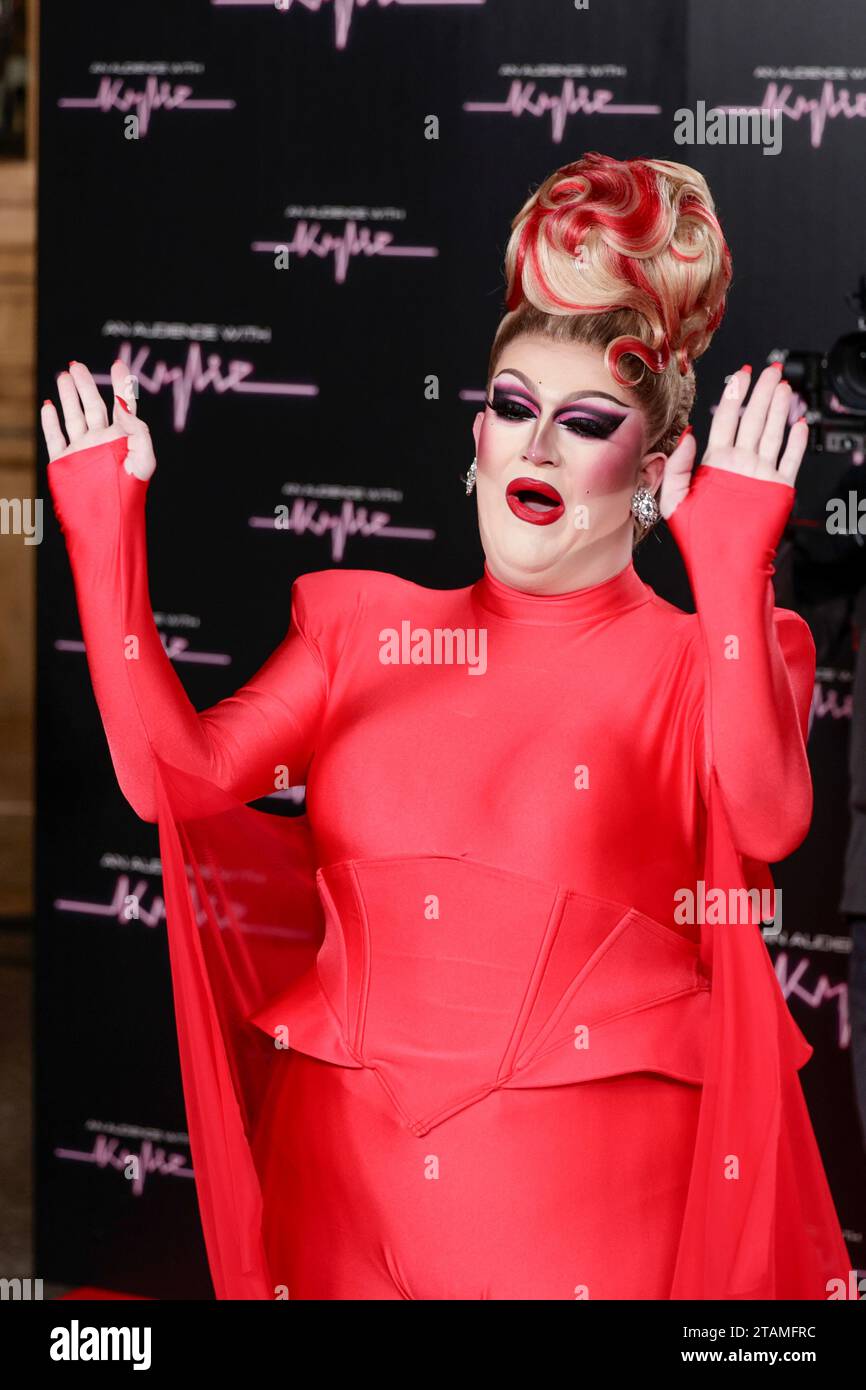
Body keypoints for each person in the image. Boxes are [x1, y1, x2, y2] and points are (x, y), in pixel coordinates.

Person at [42, 152, 850, 1301]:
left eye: (585, 423)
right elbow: (171, 780)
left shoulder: (712, 658)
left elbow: (766, 818)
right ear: (471, 443)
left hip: (588, 1227)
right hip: (333, 1202)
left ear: (658, 472)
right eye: (512, 409)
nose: (536, 443)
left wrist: (729, 567)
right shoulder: (354, 626)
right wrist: (101, 532)